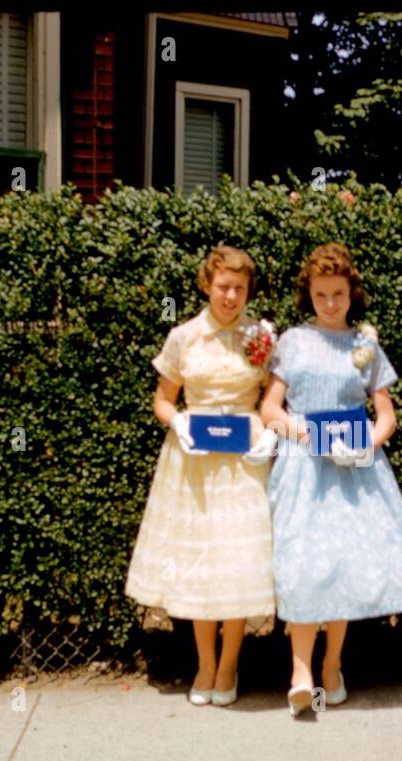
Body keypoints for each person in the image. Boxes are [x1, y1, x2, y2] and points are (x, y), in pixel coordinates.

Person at [260, 242, 402, 716]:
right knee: (302, 564)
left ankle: (332, 668)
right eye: (321, 295)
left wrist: (368, 445)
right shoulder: (293, 341)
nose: (330, 304)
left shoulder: (365, 345)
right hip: (304, 466)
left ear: (351, 293)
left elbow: (386, 415)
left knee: (340, 566)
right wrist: (306, 435)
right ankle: (300, 672)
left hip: (354, 470)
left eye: (338, 294)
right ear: (309, 295)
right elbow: (269, 409)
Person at [124, 245, 279, 706]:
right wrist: (178, 423)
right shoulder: (184, 336)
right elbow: (163, 399)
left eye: (239, 288)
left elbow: (274, 398)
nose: (231, 296)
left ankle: (229, 664)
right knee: (200, 562)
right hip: (194, 459)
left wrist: (270, 432)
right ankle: (204, 664)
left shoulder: (263, 337)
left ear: (248, 290)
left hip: (243, 459)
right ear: (207, 285)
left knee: (236, 563)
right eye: (223, 287)